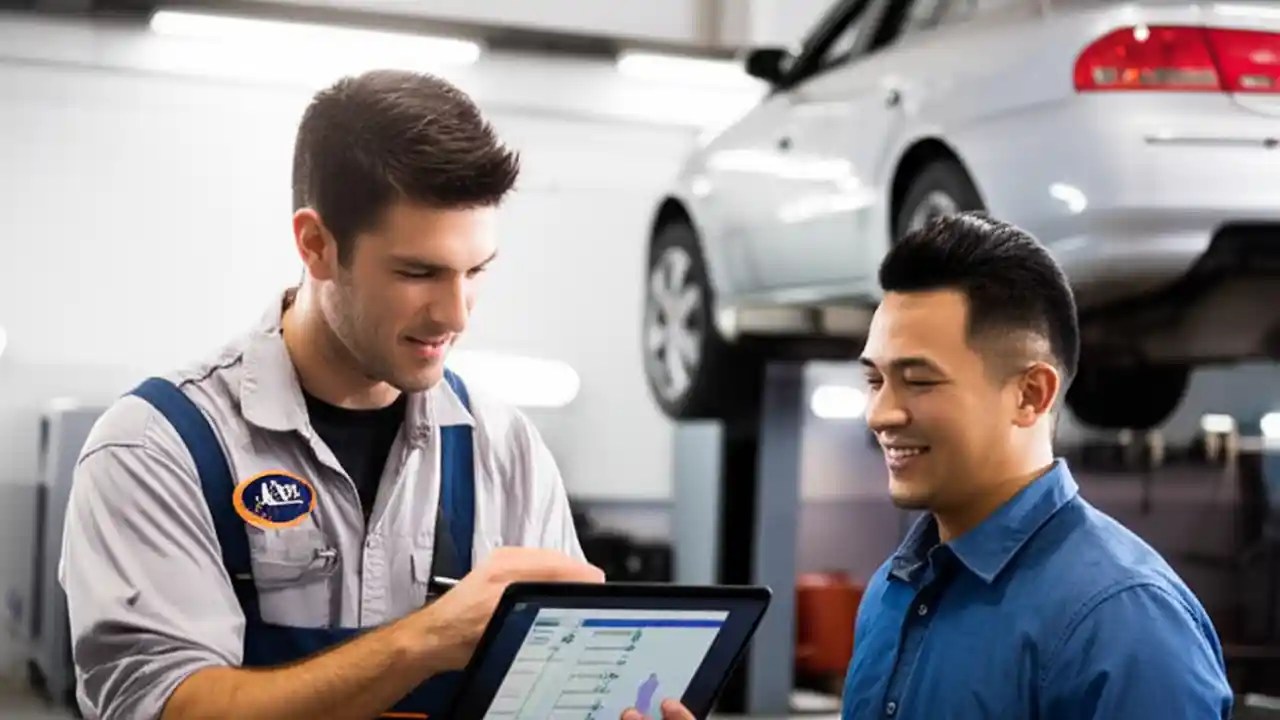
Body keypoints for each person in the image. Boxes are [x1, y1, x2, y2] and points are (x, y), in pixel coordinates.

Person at [59, 69, 602, 720]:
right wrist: (426, 641)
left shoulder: (505, 453)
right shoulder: (154, 450)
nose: (456, 314)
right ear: (316, 245)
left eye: (476, 271)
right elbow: (163, 708)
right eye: (417, 272)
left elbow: (556, 692)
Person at [631, 213, 1233, 720]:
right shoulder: (896, 593)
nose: (881, 413)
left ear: (1031, 394)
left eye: (918, 381)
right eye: (874, 380)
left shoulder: (1123, 622)